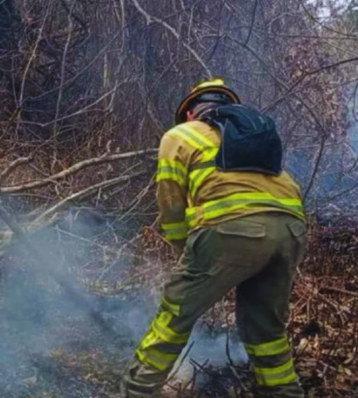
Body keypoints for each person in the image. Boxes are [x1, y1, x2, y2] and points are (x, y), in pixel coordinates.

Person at [121, 79, 308, 397]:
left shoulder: (180, 135)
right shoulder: (255, 142)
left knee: (175, 316)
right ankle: (284, 393)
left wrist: (184, 249)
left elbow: (171, 202)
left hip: (231, 233)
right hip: (291, 231)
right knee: (266, 328)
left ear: (191, 112)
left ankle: (136, 390)